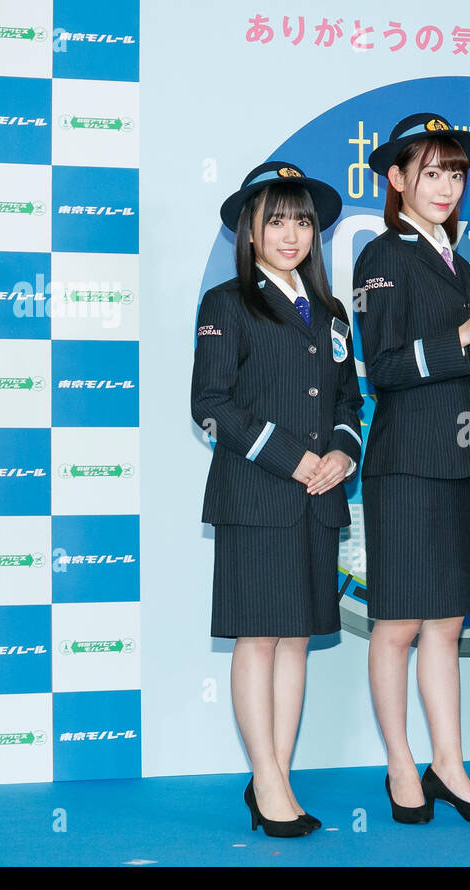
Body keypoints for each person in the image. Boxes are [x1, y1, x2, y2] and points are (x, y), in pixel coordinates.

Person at [191, 161, 364, 837]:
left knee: (296, 640)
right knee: (259, 641)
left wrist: (344, 453)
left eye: (301, 221)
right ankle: (266, 782)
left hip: (319, 501)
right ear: (249, 231)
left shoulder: (330, 312)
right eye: (275, 220)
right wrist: (296, 460)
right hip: (256, 497)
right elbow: (209, 405)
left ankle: (277, 775)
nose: (290, 234)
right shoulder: (226, 304)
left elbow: (348, 400)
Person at [354, 112, 470, 824]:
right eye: (432, 172)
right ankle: (399, 765)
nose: (447, 185)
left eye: (455, 172)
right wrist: (466, 331)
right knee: (396, 625)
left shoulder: (454, 260)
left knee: (446, 625)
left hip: (457, 468)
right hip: (405, 468)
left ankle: (448, 764)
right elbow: (384, 369)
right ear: (396, 179)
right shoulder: (383, 257)